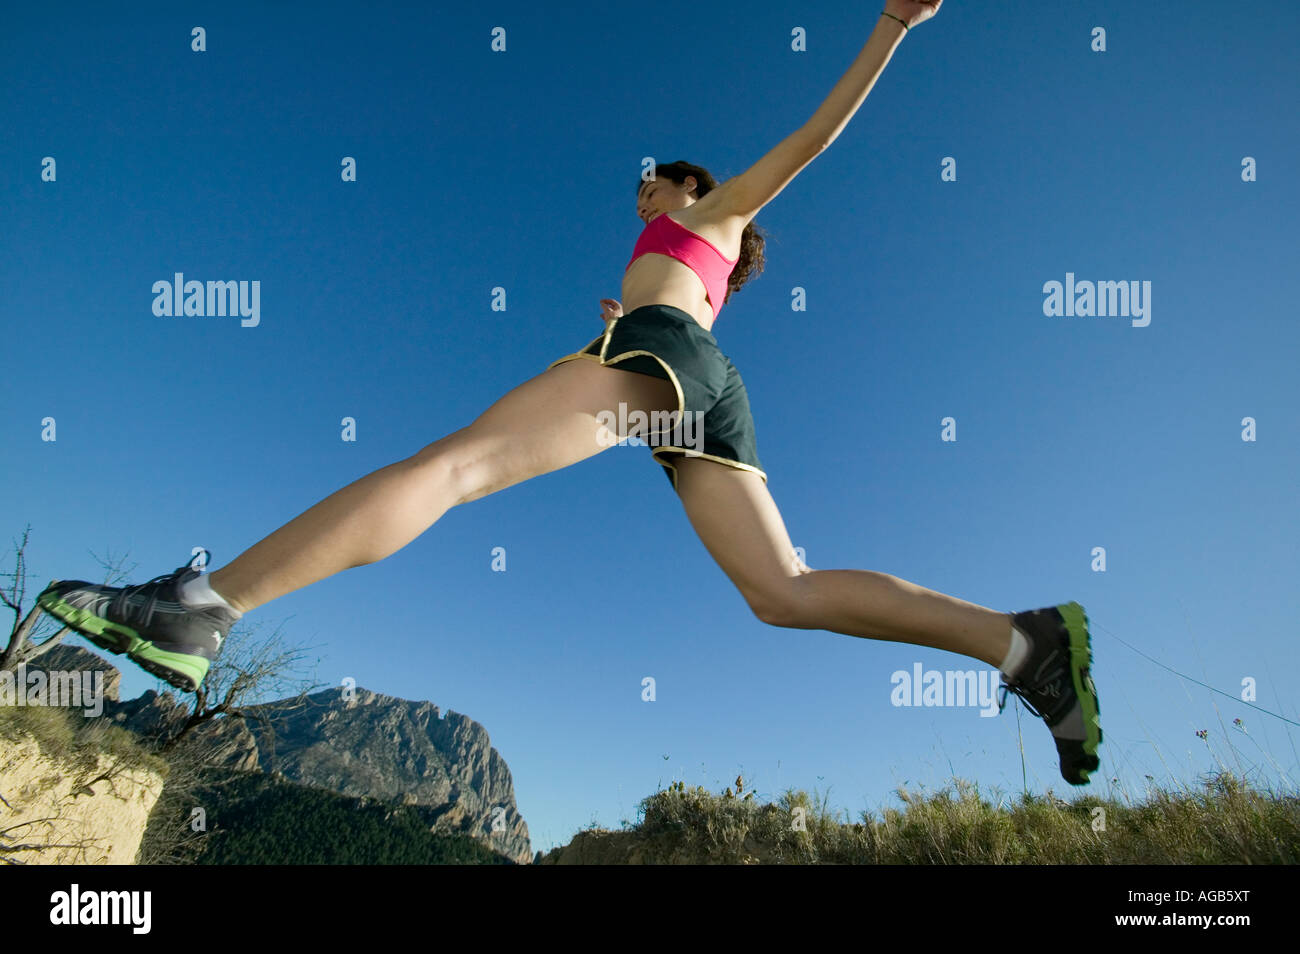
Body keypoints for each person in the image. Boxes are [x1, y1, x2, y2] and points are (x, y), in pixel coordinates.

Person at [36, 1, 1102, 785]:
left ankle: (205, 608)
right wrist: (621, 322)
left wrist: (889, 25)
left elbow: (811, 140)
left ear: (689, 186)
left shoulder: (714, 212)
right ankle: (1021, 643)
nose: (638, 187)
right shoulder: (678, 264)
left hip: (663, 356)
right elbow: (672, 310)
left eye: (651, 179)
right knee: (784, 590)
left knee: (452, 467)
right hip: (698, 383)